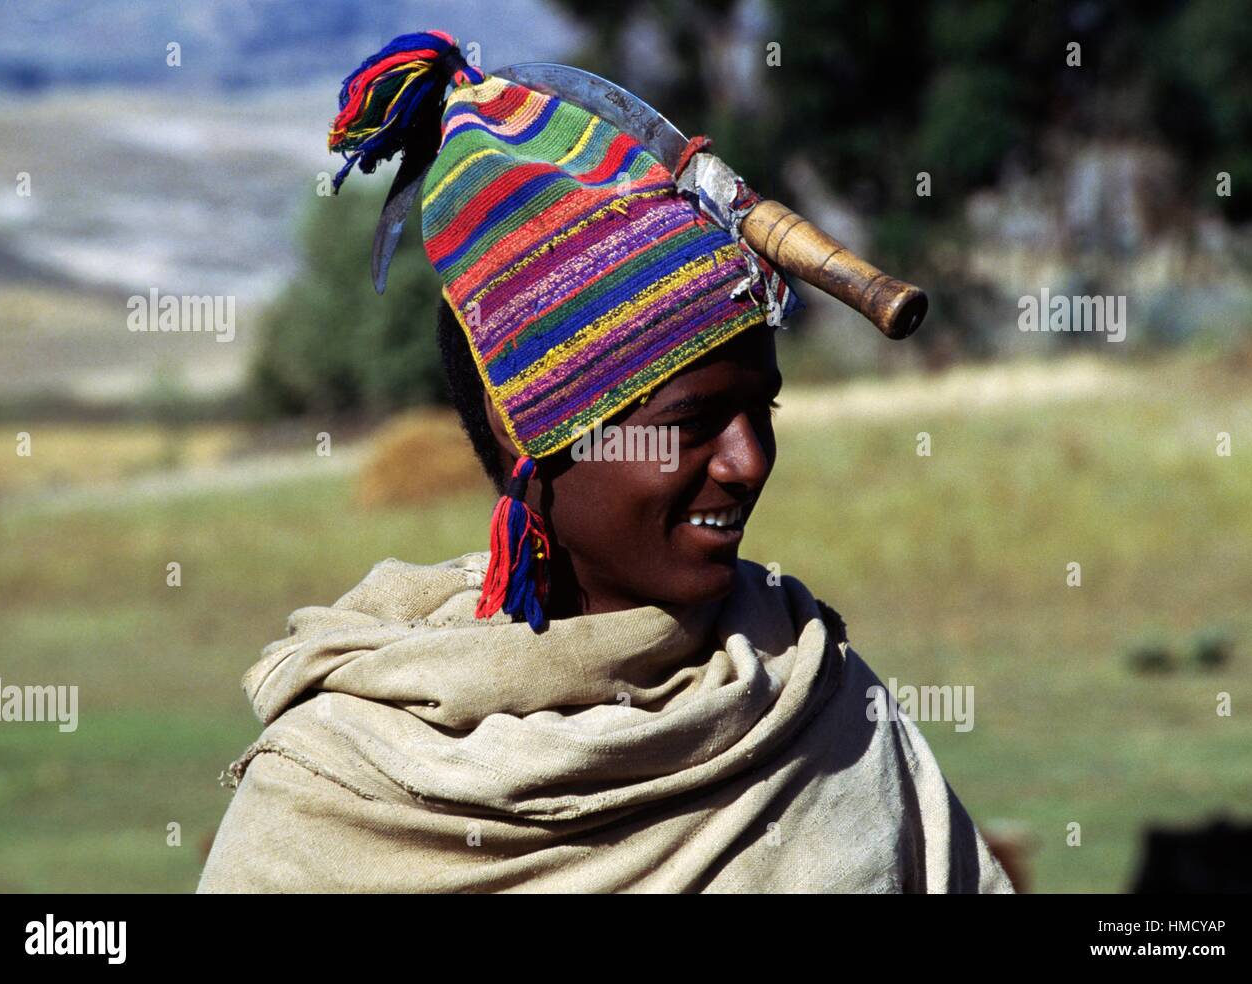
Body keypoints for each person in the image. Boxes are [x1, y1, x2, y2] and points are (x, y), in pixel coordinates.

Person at [196, 30, 1014, 894]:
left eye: (761, 409)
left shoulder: (818, 702)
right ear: (527, 432)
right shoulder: (336, 798)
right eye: (692, 422)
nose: (748, 462)